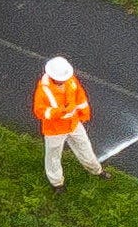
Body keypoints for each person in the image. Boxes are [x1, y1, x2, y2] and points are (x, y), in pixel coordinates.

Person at [32, 55, 105, 190]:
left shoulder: (71, 81)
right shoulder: (43, 90)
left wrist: (84, 113)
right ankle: (57, 183)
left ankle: (97, 170)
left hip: (73, 124)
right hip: (55, 129)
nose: (62, 81)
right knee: (53, 157)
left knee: (85, 147)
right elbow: (40, 111)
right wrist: (61, 112)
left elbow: (80, 97)